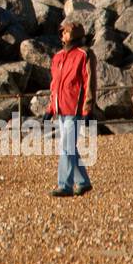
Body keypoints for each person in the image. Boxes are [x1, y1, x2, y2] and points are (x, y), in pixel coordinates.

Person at [46, 20, 96, 197]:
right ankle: (83, 182)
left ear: (74, 36)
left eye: (66, 33)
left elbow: (89, 82)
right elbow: (54, 84)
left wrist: (87, 109)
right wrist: (50, 108)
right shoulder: (58, 56)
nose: (62, 35)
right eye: (62, 32)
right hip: (60, 108)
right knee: (69, 148)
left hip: (75, 109)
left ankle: (64, 185)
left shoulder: (84, 54)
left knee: (66, 146)